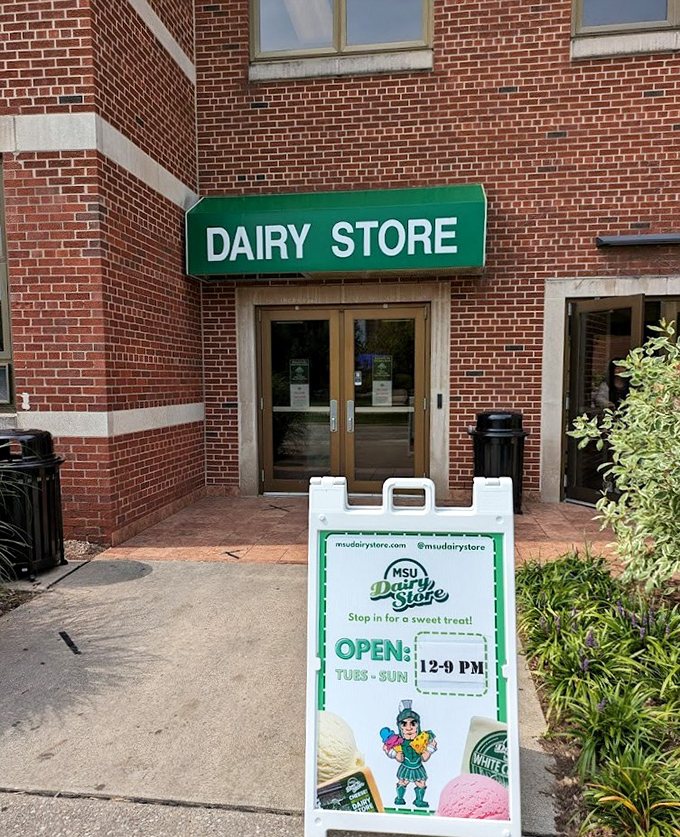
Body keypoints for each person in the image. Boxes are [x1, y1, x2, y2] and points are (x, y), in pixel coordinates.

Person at [381, 699, 437, 808]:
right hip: (406, 766)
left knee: (421, 782)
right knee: (403, 781)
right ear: (400, 727)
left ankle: (419, 800)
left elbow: (424, 758)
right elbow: (395, 754)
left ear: (418, 725)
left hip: (417, 766)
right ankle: (399, 798)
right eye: (404, 724)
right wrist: (395, 754)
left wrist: (430, 748)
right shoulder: (399, 741)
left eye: (413, 723)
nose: (409, 728)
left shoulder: (422, 740)